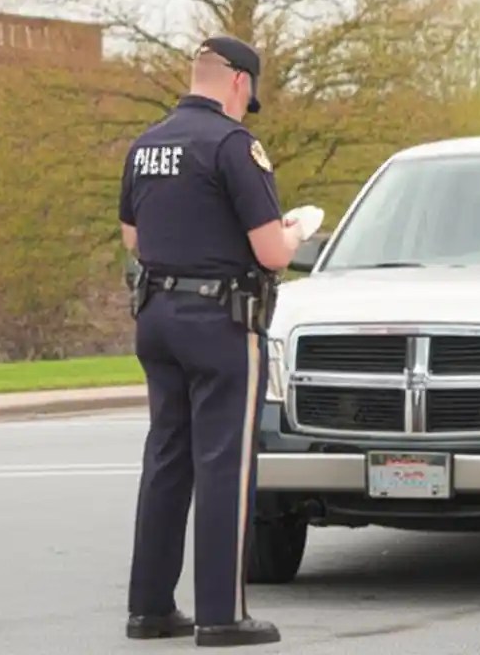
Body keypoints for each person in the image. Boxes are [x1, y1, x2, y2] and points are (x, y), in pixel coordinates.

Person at [118, 35, 305, 648]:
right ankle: (221, 616)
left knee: (166, 460)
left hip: (157, 317)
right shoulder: (233, 144)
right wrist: (298, 232)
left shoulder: (146, 145)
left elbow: (132, 238)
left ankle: (149, 608)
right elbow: (271, 252)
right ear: (240, 84)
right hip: (219, 323)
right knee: (224, 463)